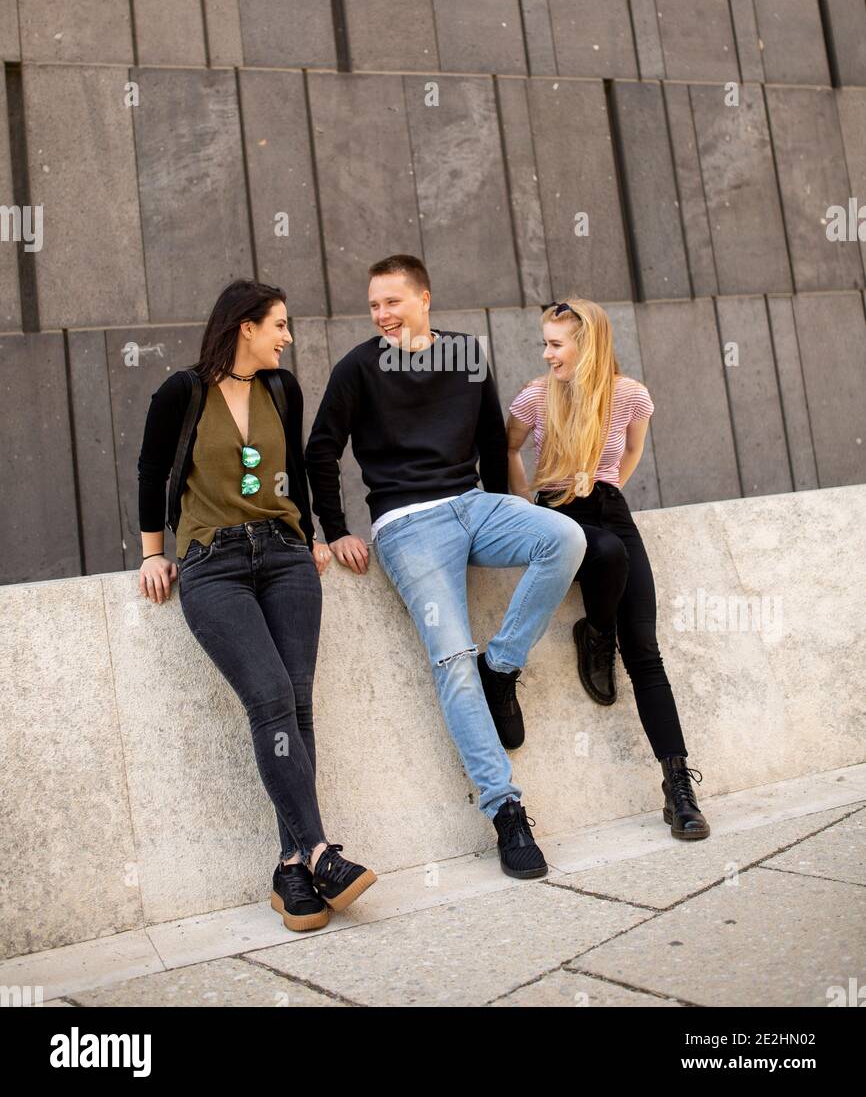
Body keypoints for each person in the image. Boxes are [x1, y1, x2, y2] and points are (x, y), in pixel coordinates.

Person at [304, 255, 587, 880]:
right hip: (407, 526)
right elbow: (321, 450)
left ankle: (504, 664)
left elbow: (491, 437)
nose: (381, 315)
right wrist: (336, 530)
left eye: (392, 302)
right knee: (451, 662)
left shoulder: (464, 354)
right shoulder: (359, 366)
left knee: (564, 538)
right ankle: (507, 812)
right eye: (373, 305)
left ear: (424, 299)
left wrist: (506, 512)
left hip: (474, 504)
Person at [136, 278, 377, 930]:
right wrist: (152, 552)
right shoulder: (181, 393)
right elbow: (151, 470)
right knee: (269, 698)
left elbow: (293, 472)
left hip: (285, 557)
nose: (287, 336)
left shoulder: (281, 389)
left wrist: (313, 536)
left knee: (296, 707)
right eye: (278, 325)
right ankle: (323, 850)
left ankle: (292, 867)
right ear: (245, 327)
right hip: (213, 564)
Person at [506, 298, 710, 841]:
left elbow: (632, 453)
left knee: (643, 645)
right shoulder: (534, 397)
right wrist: (526, 501)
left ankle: (678, 788)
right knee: (609, 556)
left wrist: (605, 484)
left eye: (556, 343)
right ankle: (596, 630)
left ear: (587, 343)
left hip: (609, 508)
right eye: (545, 343)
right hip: (558, 515)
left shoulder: (629, 395)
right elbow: (507, 448)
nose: (547, 354)